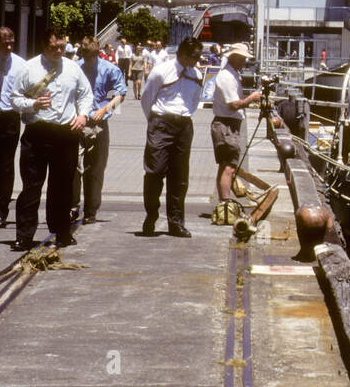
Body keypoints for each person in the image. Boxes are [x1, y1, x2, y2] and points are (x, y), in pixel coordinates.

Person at [11, 29, 92, 249]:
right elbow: (14, 98)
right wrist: (33, 105)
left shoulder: (73, 69)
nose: (58, 51)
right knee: (31, 186)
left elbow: (86, 94)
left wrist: (83, 115)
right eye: (53, 47)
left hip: (65, 133)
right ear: (43, 46)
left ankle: (62, 231)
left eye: (61, 47)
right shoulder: (29, 68)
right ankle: (24, 235)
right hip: (37, 132)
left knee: (63, 186)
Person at [140, 37, 205, 237]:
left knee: (179, 177)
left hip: (183, 124)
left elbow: (195, 100)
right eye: (194, 56)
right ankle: (151, 216)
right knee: (155, 171)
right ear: (183, 54)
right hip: (161, 122)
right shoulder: (161, 71)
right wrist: (154, 121)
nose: (197, 60)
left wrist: (184, 116)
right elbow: (146, 97)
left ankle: (176, 222)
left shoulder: (197, 74)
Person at [71, 37, 127, 225]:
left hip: (99, 123)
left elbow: (121, 94)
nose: (90, 60)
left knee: (95, 169)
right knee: (74, 167)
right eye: (87, 56)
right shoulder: (75, 68)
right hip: (78, 121)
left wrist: (106, 109)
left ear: (98, 53)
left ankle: (91, 209)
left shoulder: (109, 69)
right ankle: (72, 206)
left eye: (94, 56)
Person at [211, 44, 261, 204]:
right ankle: (225, 203)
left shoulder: (232, 74)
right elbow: (233, 105)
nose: (244, 62)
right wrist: (251, 99)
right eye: (242, 58)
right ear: (234, 57)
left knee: (226, 165)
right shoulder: (226, 76)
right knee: (229, 167)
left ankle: (224, 201)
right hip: (226, 125)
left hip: (228, 123)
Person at [0, 27, 26, 227]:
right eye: (5, 43)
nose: (9, 46)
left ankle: (1, 209)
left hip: (10, 117)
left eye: (12, 43)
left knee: (5, 165)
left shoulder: (21, 65)